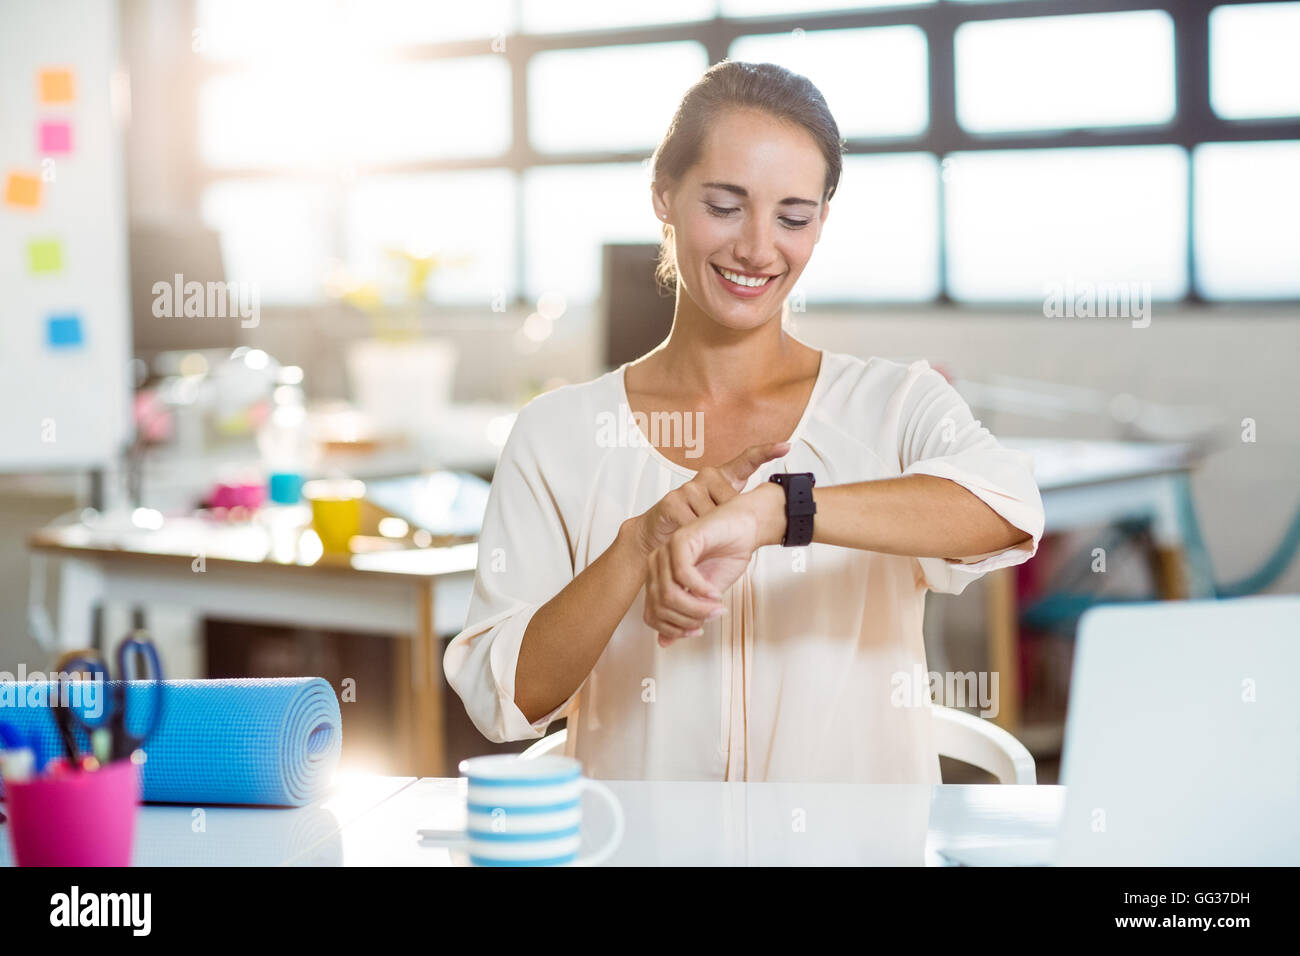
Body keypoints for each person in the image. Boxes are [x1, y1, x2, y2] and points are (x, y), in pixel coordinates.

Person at [445, 61, 1044, 783]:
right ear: (663, 196)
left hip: (857, 838)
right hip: (640, 837)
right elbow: (506, 697)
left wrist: (777, 512)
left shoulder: (893, 404)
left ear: (821, 222)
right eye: (725, 206)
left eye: (793, 217)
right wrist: (635, 548)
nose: (758, 248)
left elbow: (1008, 508)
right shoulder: (558, 434)